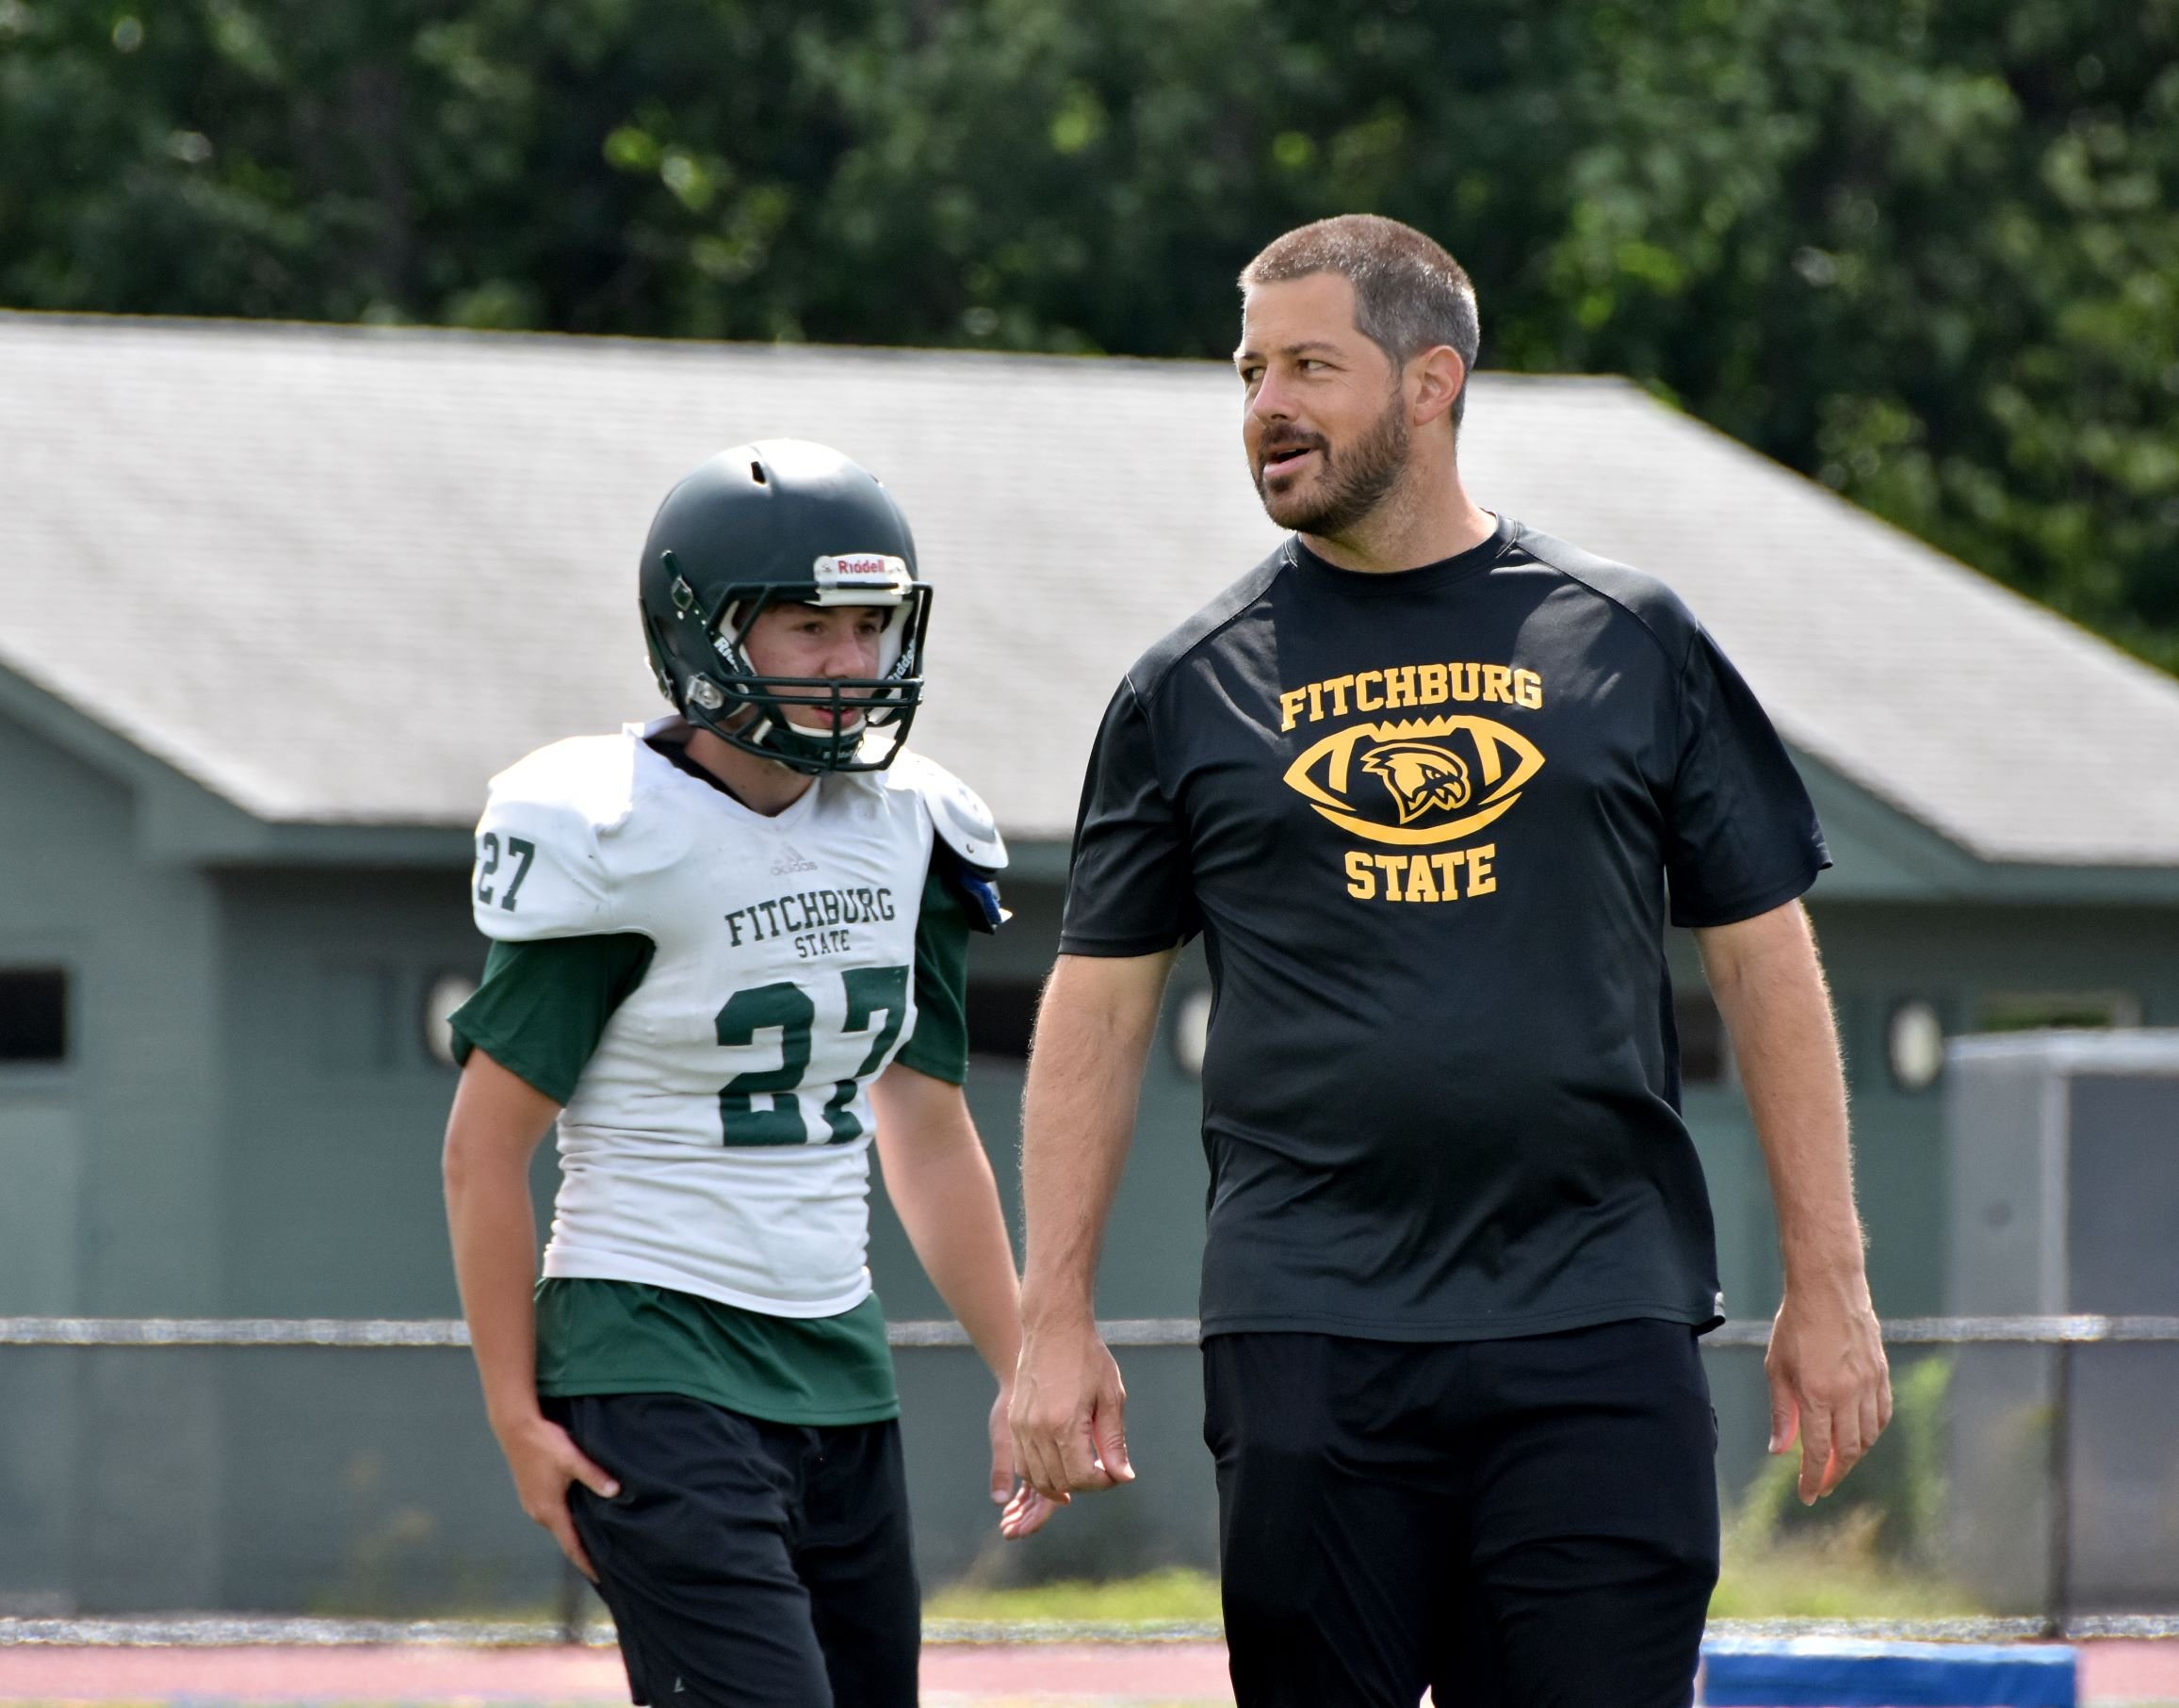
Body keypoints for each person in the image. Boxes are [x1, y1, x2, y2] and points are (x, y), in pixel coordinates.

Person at [1008, 215, 1892, 1707]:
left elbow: (1762, 961)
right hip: (1308, 1320)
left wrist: (1830, 1278)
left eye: (1309, 366)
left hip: (1595, 1312)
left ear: (1430, 383)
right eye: (1247, 373)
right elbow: (1095, 1011)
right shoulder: (1185, 684)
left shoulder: (1626, 637)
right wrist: (1052, 1321)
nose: (1265, 406)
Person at [442, 440, 1050, 1708]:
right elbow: (483, 1149)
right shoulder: (616, 832)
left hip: (840, 1362)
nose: (848, 660)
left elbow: (926, 1125)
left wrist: (1023, 1363)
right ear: (702, 631)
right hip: (649, 1354)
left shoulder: (909, 825)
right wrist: (511, 1408)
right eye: (808, 625)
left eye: (869, 625)